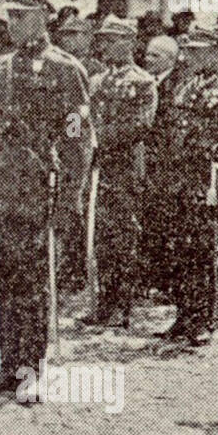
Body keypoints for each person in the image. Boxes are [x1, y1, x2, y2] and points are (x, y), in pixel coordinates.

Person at [0, 0, 93, 396]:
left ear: (42, 17)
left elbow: (77, 142)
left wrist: (69, 200)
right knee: (5, 278)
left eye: (21, 16)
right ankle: (8, 364)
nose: (12, 24)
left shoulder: (64, 69)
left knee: (31, 282)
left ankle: (30, 370)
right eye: (9, 16)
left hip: (32, 194)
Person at [148, 24, 218, 343]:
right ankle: (184, 314)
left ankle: (205, 318)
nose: (190, 56)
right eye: (189, 51)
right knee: (180, 250)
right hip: (179, 180)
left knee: (205, 251)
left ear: (216, 53)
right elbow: (167, 132)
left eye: (198, 51)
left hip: (207, 181)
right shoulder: (182, 88)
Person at [80, 17, 158, 328]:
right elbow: (84, 118)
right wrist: (86, 142)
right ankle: (102, 302)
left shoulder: (143, 82)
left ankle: (121, 306)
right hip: (97, 168)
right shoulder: (97, 81)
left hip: (124, 168)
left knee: (123, 236)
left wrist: (101, 142)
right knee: (99, 237)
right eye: (104, 40)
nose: (106, 46)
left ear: (128, 43)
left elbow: (141, 125)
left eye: (113, 40)